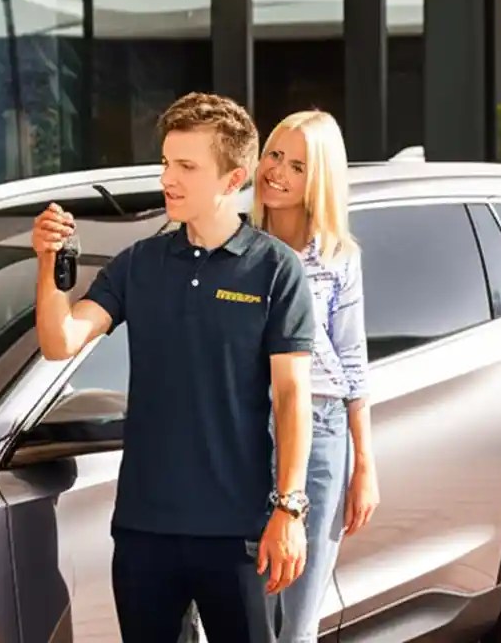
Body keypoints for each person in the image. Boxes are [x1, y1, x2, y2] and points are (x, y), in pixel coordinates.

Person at [32, 92, 317, 643]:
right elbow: (59, 341)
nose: (169, 178)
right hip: (145, 531)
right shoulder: (139, 264)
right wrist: (48, 267)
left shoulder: (274, 270)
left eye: (187, 166)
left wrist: (290, 510)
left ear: (233, 180)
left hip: (239, 532)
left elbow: (291, 397)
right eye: (166, 162)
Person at [252, 110, 379, 641]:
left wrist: (365, 466)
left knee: (297, 623)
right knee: (244, 612)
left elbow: (352, 360)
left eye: (297, 165)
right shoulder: (236, 247)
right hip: (245, 433)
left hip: (322, 434)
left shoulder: (338, 257)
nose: (277, 171)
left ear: (319, 178)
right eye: (275, 155)